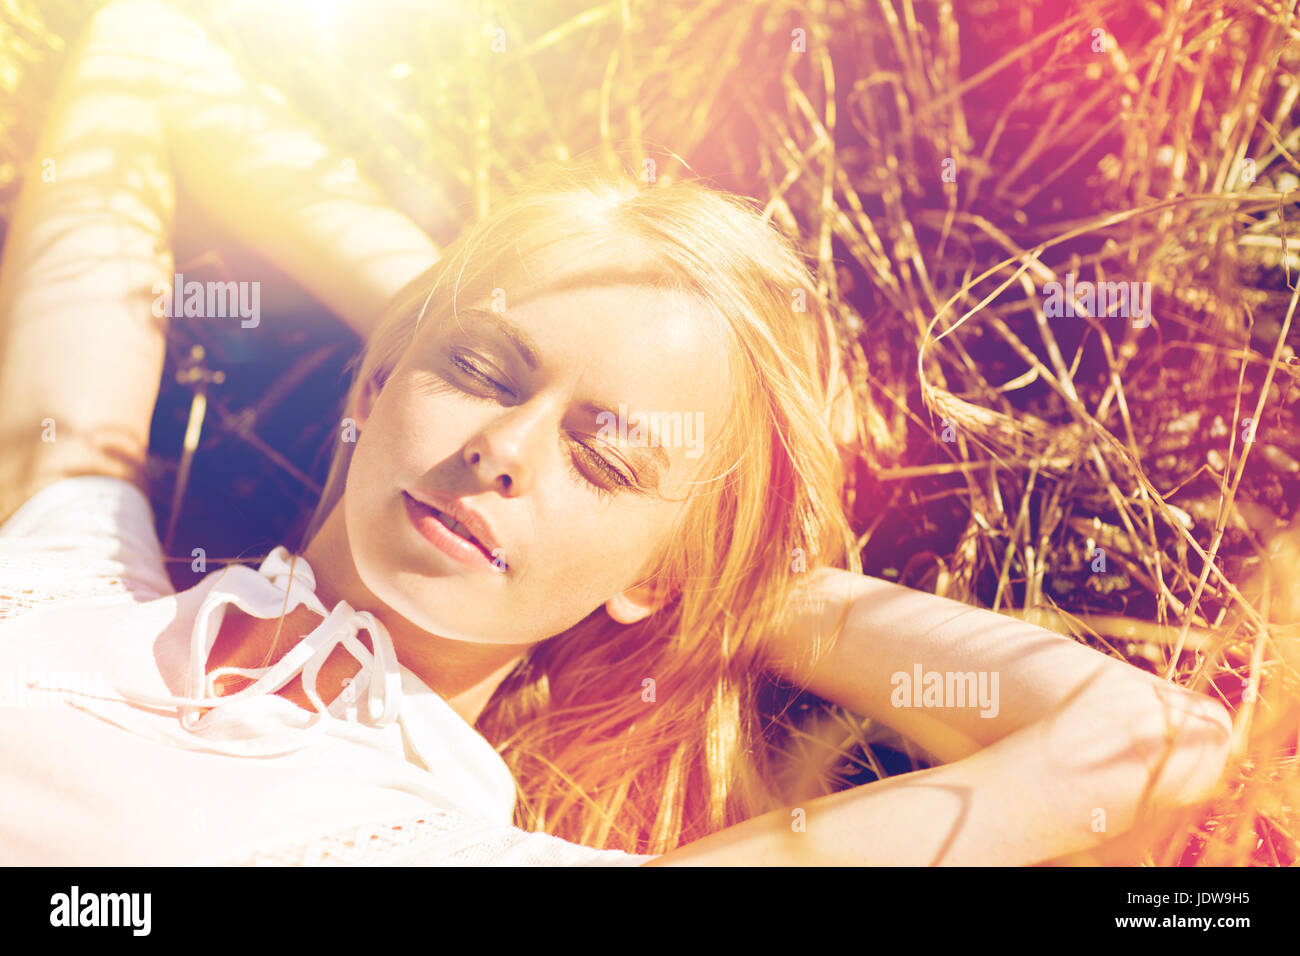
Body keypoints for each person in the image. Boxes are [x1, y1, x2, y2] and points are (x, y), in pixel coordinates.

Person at [0, 0, 1233, 866]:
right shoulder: (64, 550)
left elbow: (1147, 737)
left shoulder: (450, 849)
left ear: (658, 570)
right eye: (481, 373)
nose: (505, 451)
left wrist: (729, 571)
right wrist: (471, 318)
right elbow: (142, 54)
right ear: (373, 385)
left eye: (605, 455)